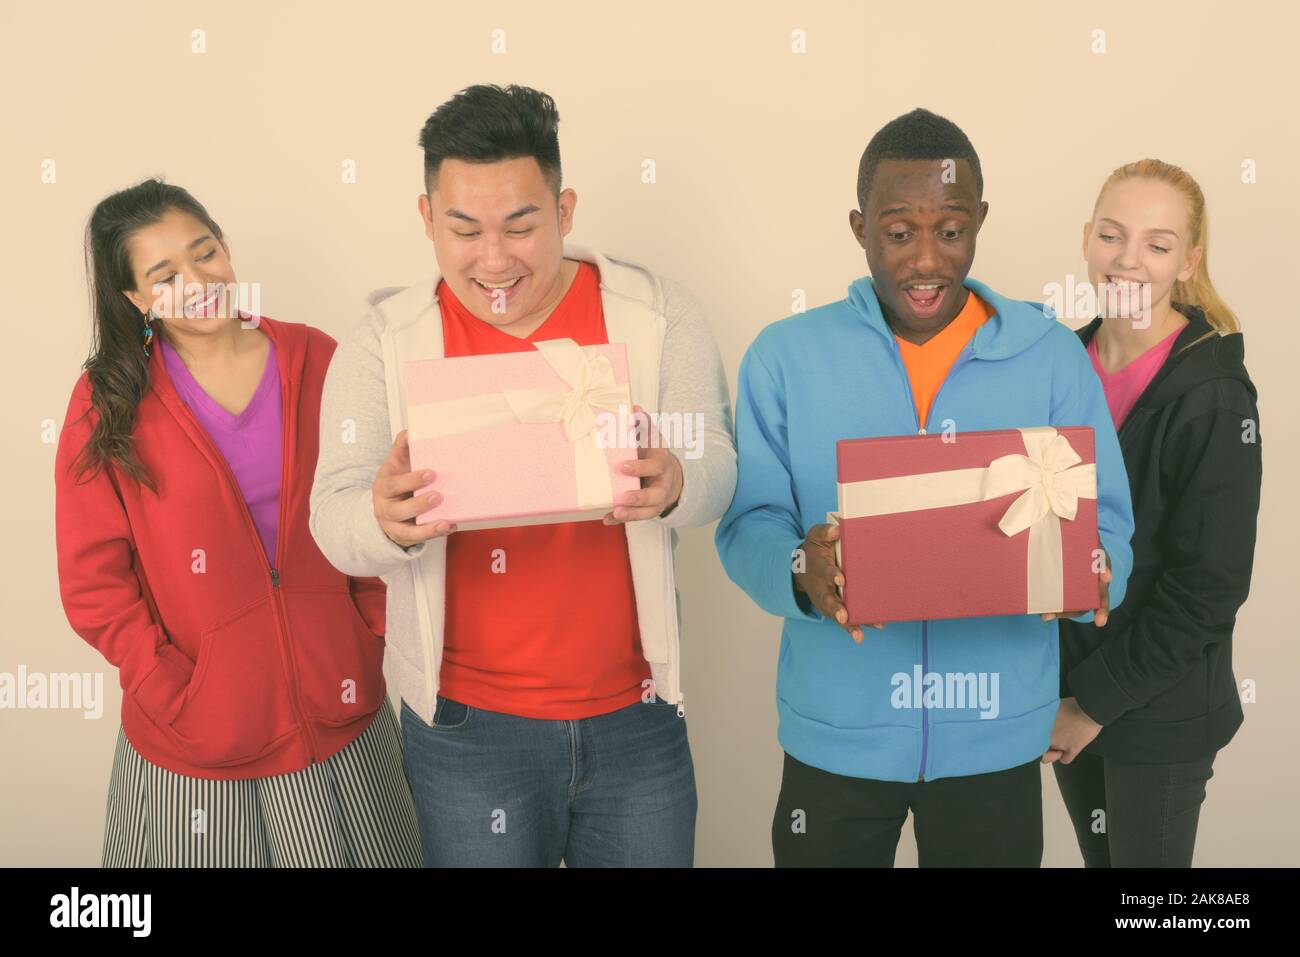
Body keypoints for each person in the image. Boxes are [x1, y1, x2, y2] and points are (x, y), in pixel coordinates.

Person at [309, 84, 737, 867]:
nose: (495, 258)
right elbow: (331, 515)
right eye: (464, 229)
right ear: (426, 218)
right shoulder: (383, 343)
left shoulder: (654, 313)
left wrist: (675, 479)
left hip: (637, 716)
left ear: (566, 209)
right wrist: (382, 519)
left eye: (522, 225)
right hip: (467, 730)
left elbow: (716, 462)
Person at [715, 108, 1135, 867]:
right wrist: (798, 571)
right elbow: (750, 525)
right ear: (858, 226)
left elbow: (1107, 528)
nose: (926, 261)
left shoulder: (1050, 358)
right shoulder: (784, 358)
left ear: (979, 222)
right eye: (898, 232)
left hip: (997, 733)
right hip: (835, 735)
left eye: (950, 229)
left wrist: (1094, 574)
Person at [54, 179, 422, 867]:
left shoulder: (318, 359)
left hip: (343, 717)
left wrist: (367, 632)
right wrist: (175, 689)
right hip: (198, 743)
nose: (199, 281)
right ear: (135, 298)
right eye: (165, 275)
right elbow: (92, 582)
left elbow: (368, 506)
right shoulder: (105, 402)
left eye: (206, 253)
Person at [1048, 159, 1261, 867]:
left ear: (1189, 260)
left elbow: (1210, 589)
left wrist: (1092, 706)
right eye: (1112, 235)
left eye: (1158, 244)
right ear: (1086, 239)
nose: (1128, 260)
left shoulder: (1216, 394)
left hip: (1156, 709)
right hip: (1069, 691)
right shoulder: (1060, 368)